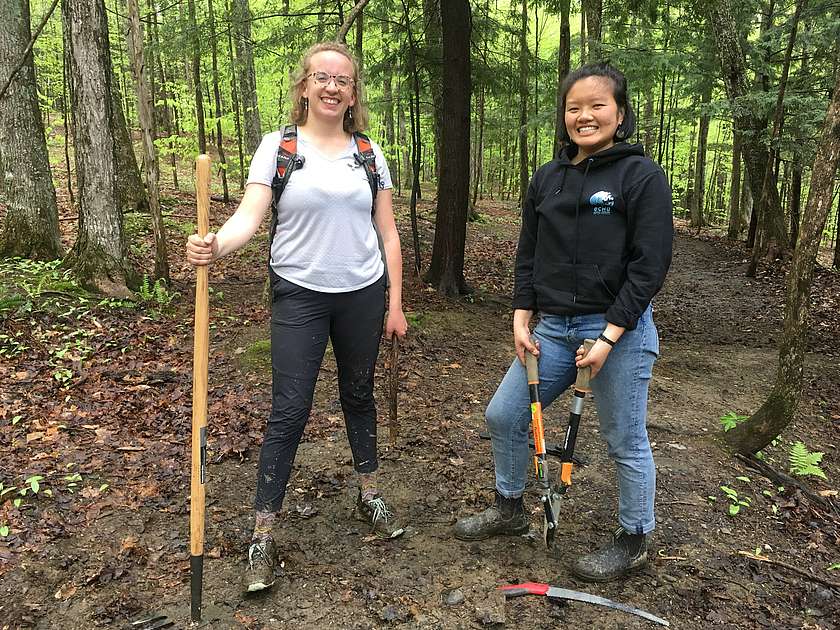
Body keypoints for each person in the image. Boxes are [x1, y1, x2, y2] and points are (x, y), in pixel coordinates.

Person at [186, 41, 408, 592]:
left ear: (353, 93)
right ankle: (262, 532)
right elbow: (250, 216)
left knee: (359, 394)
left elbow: (387, 232)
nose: (333, 87)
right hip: (298, 293)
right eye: (322, 77)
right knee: (289, 409)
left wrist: (396, 302)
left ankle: (370, 495)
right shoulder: (278, 147)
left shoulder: (368, 152)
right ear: (304, 86)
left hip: (362, 291)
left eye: (344, 80)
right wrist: (216, 245)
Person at [453, 62, 673, 582]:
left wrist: (610, 335)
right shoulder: (548, 178)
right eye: (574, 107)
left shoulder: (640, 176)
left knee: (625, 439)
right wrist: (520, 312)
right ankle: (510, 508)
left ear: (620, 114)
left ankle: (635, 537)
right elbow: (529, 252)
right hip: (552, 327)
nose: (584, 115)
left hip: (620, 329)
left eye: (597, 105)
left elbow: (650, 266)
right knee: (505, 415)